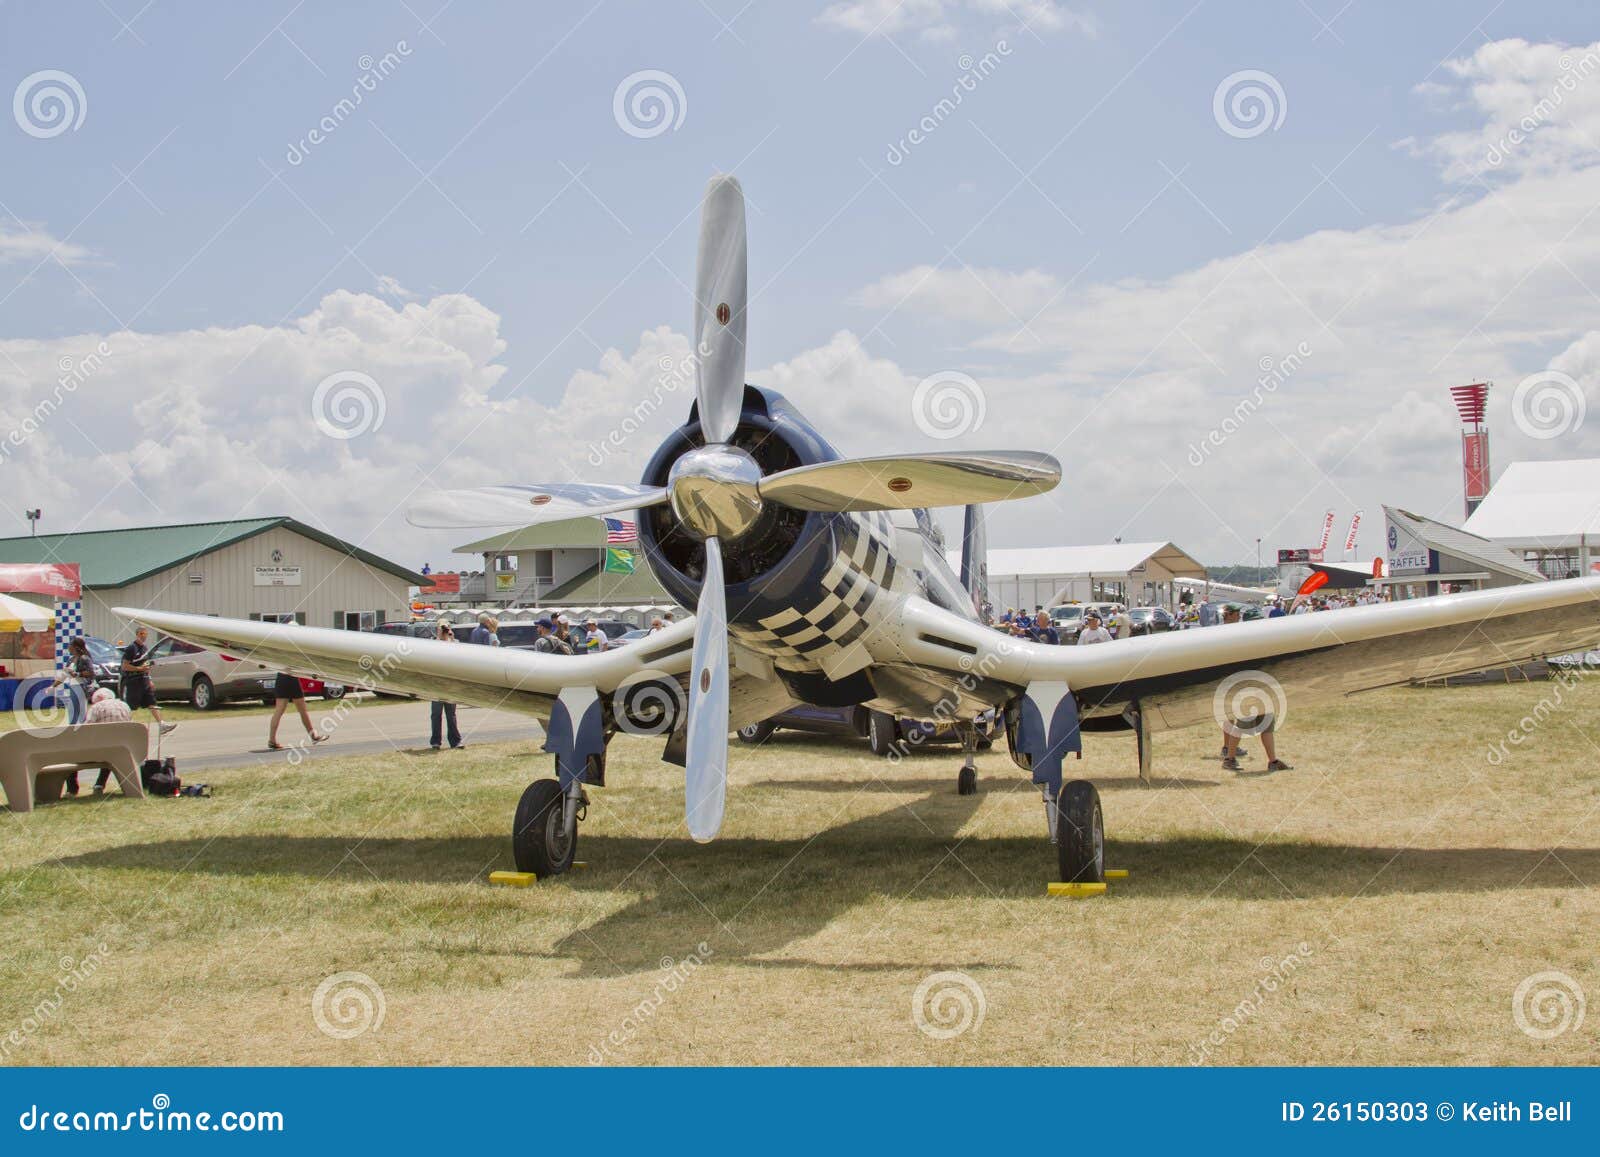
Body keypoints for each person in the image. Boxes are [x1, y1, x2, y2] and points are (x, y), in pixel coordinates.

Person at [119, 627, 176, 735]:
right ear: (137, 634)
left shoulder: (145, 648)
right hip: (133, 681)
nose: (143, 636)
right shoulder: (132, 648)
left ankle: (161, 724)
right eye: (141, 634)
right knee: (131, 705)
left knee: (152, 702)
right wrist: (139, 669)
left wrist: (149, 679)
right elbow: (125, 666)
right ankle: (125, 726)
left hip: (144, 680)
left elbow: (146, 665)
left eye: (145, 634)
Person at [83, 687, 133, 794]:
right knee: (111, 752)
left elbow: (85, 730)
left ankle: (72, 789)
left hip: (101, 753)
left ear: (100, 698)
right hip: (123, 751)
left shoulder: (96, 708)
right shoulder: (125, 706)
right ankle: (99, 784)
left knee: (73, 755)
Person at [267, 672, 326, 751]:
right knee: (302, 710)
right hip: (292, 678)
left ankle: (272, 740)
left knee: (278, 711)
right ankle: (313, 736)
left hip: (281, 678)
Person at [428, 621, 463, 749]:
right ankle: (435, 741)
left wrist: (451, 638)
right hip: (437, 684)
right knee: (436, 714)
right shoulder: (433, 643)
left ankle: (455, 741)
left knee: (451, 714)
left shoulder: (454, 643)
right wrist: (439, 637)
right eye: (441, 628)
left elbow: (460, 656)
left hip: (450, 684)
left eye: (445, 628)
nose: (444, 631)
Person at [1222, 712, 1292, 774]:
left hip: (1265, 702)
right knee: (1241, 727)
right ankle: (1229, 760)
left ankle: (1273, 762)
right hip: (1248, 702)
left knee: (1267, 726)